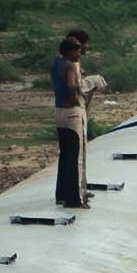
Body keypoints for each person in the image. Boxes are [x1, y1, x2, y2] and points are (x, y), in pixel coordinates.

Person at [51, 36, 87, 209]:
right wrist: (73, 98)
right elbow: (72, 85)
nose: (80, 53)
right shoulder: (70, 66)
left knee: (64, 155)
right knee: (74, 157)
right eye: (77, 50)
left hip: (58, 111)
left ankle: (61, 194)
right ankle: (74, 199)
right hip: (71, 113)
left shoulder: (56, 64)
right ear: (70, 51)